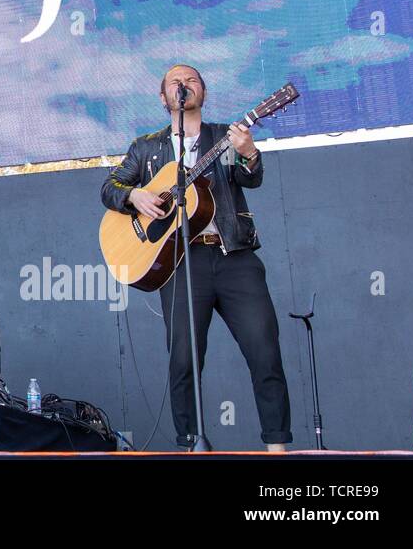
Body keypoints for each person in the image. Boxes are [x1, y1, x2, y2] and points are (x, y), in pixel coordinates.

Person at [101, 64, 291, 452]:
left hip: (233, 256)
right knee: (184, 362)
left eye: (190, 81)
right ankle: (190, 443)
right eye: (175, 82)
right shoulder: (146, 148)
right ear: (163, 97)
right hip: (180, 262)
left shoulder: (224, 137)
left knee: (265, 351)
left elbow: (251, 178)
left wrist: (248, 153)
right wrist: (134, 196)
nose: (182, 86)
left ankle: (277, 446)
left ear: (202, 91)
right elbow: (111, 187)